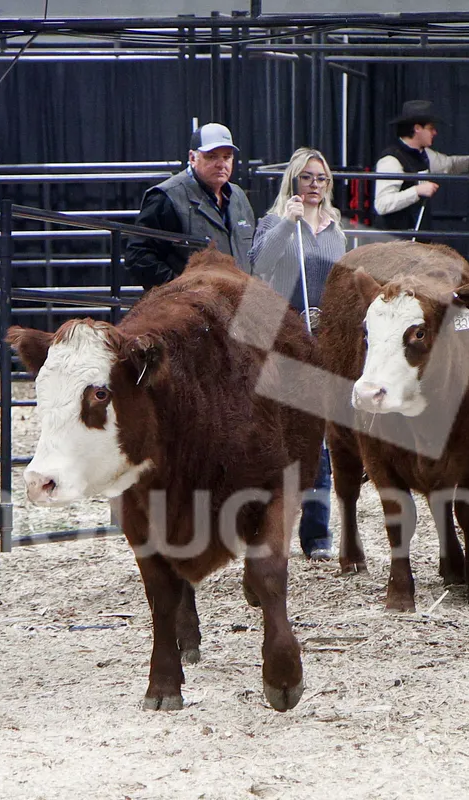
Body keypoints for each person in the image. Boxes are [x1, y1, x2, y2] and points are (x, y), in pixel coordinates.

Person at [249, 148, 347, 561]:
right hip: (283, 336)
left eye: (321, 178)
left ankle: (318, 534)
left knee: (319, 439)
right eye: (307, 177)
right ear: (292, 180)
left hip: (322, 341)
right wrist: (287, 224)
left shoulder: (335, 230)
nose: (314, 185)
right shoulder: (274, 222)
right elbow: (259, 265)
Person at [125, 122, 256, 290]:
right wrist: (181, 291)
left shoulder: (239, 197)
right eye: (212, 156)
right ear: (192, 158)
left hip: (235, 305)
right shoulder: (167, 197)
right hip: (190, 310)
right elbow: (138, 257)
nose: (221, 164)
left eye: (227, 156)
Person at [373, 99, 469, 232]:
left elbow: (448, 164)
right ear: (417, 128)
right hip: (393, 242)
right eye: (431, 128)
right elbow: (382, 204)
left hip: (414, 239)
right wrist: (417, 191)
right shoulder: (391, 160)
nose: (435, 132)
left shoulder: (424, 154)